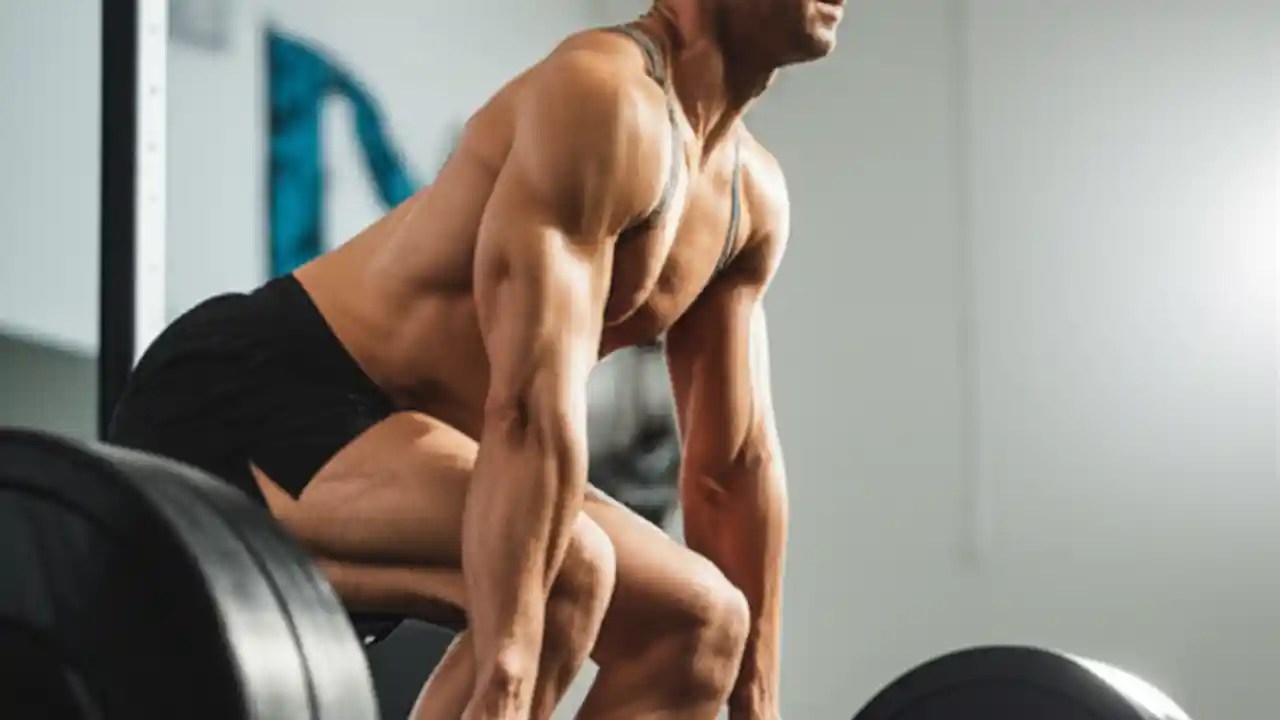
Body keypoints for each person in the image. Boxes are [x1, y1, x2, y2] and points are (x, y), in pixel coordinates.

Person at [108, 0, 844, 717]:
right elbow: (528, 409)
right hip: (255, 394)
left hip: (420, 441)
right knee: (564, 567)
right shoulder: (605, 96)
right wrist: (506, 682)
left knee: (701, 625)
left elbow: (732, 469)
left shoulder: (751, 197)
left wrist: (758, 699)